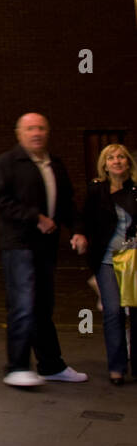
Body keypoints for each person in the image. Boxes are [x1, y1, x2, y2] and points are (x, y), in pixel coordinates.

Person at [0, 113, 88, 386]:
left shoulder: (55, 164)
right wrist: (35, 218)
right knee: (22, 305)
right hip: (19, 246)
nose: (36, 133)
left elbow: (67, 203)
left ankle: (51, 365)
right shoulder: (7, 163)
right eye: (30, 128)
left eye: (41, 128)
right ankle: (17, 366)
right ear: (19, 133)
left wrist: (77, 230)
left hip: (46, 247)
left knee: (43, 306)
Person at [78, 144, 137, 385]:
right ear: (104, 164)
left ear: (128, 162)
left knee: (134, 312)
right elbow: (84, 218)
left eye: (121, 157)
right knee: (112, 312)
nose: (117, 161)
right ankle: (117, 367)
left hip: (133, 259)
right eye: (111, 158)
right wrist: (79, 235)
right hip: (107, 260)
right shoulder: (97, 190)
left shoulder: (134, 190)